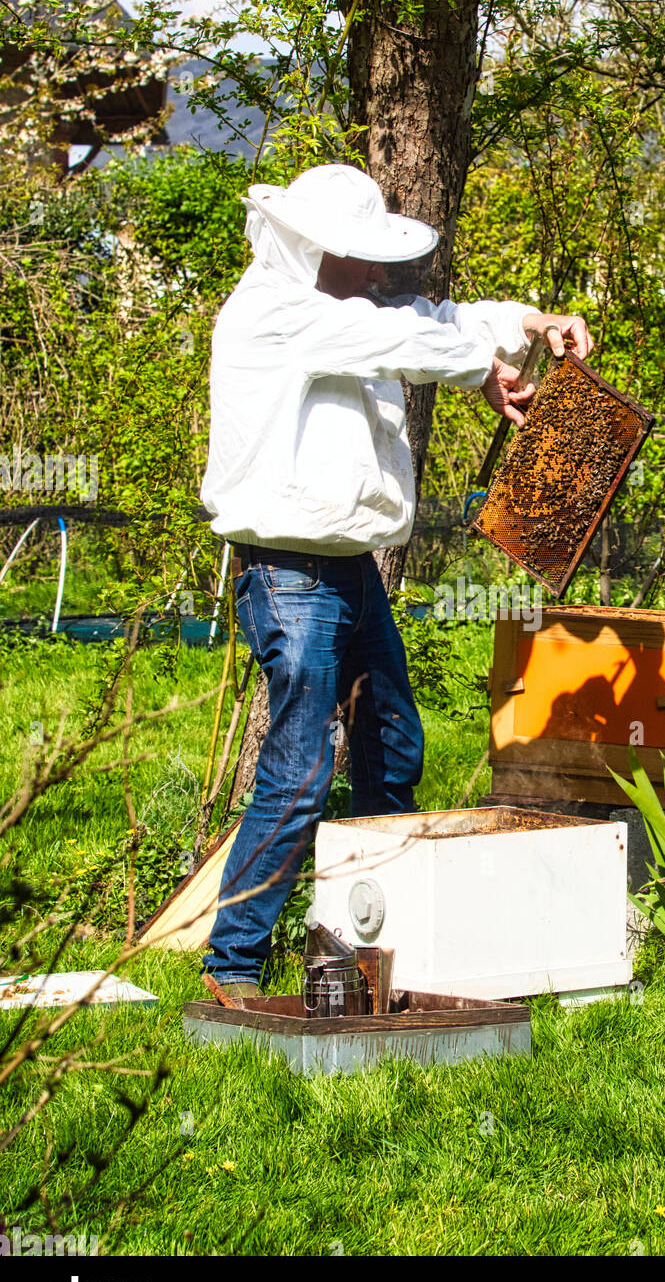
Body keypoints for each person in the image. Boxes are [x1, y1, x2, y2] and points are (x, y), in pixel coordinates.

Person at [199, 164, 593, 996]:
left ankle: (372, 936)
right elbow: (409, 341)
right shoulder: (275, 315)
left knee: (391, 749)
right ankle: (230, 965)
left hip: (346, 568)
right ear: (308, 249)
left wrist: (527, 321)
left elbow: (428, 319)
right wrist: (480, 366)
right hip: (289, 573)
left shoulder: (343, 311)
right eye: (360, 258)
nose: (379, 276)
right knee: (302, 769)